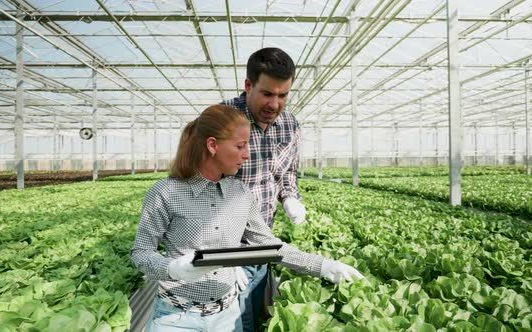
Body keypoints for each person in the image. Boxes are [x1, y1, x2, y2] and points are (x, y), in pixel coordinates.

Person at [131, 105, 363, 332]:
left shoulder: (240, 193)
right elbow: (141, 253)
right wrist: (172, 268)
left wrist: (323, 266)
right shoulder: (165, 192)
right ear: (212, 145)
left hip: (227, 318)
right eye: (240, 145)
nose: (247, 154)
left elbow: (269, 246)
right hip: (177, 318)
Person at [222, 48, 305, 331]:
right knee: (236, 320)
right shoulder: (221, 122)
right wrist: (219, 254)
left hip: (264, 240)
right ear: (248, 86)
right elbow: (198, 190)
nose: (275, 104)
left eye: (283, 95)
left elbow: (287, 172)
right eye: (267, 94)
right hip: (227, 246)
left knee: (255, 312)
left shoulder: (289, 125)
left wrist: (290, 197)